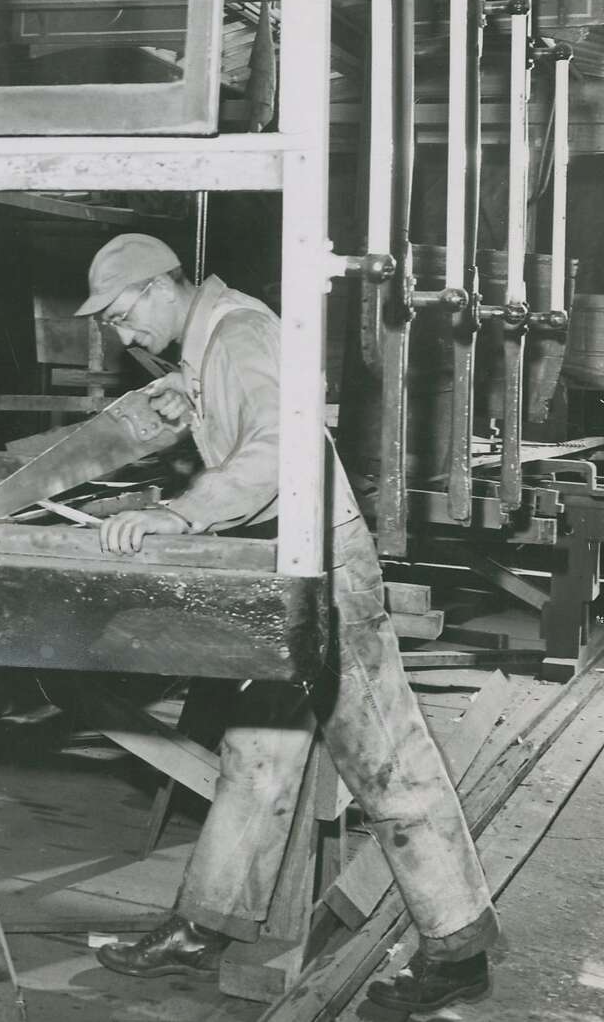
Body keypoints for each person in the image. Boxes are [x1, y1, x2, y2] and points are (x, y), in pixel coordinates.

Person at [77, 233, 498, 1018]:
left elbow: (279, 452)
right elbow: (246, 419)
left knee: (388, 764)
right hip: (287, 569)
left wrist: (182, 512)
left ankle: (459, 945)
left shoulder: (238, 335)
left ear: (165, 287)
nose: (120, 335)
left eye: (124, 314)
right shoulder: (209, 343)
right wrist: (188, 401)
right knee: (258, 746)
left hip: (326, 575)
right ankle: (204, 924)